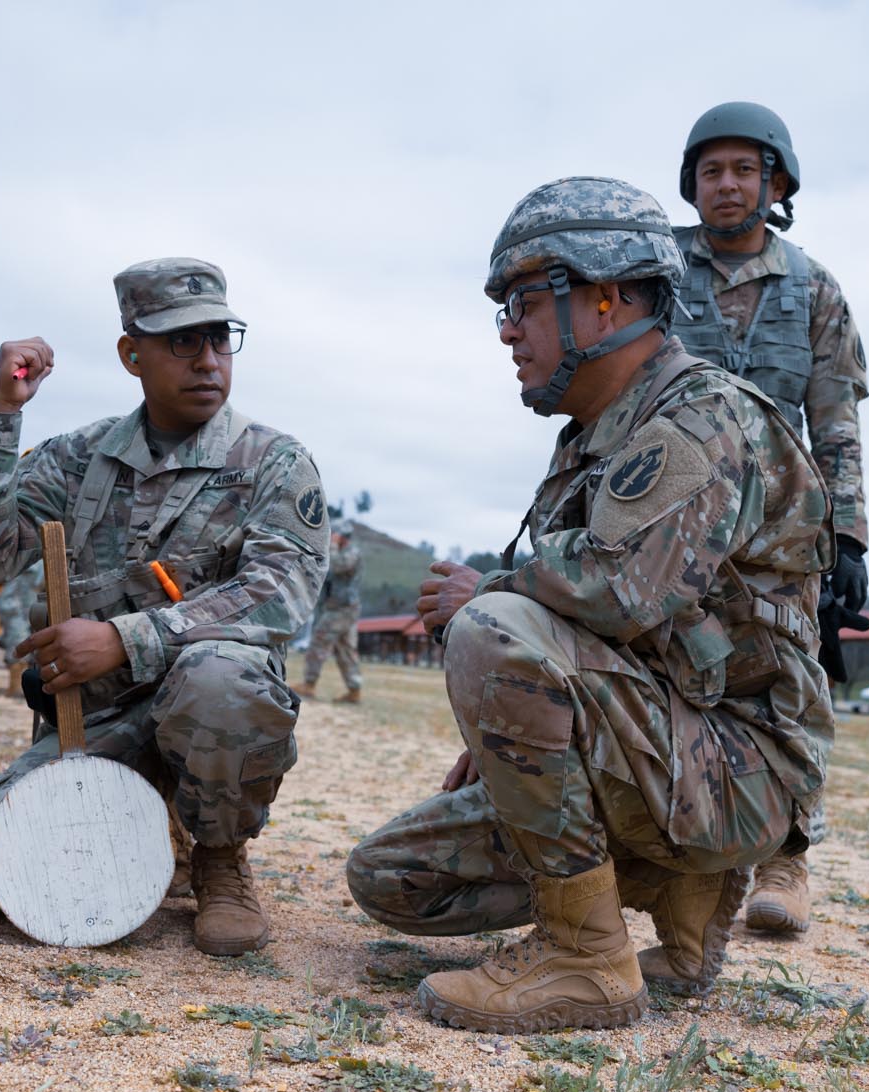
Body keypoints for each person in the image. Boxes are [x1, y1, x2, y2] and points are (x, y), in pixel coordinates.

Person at [345, 178, 834, 1030]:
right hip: (667, 747)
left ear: (606, 300)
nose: (506, 329)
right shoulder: (596, 436)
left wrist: (486, 609)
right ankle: (681, 899)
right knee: (394, 877)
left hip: (739, 771)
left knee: (490, 626)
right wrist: (514, 738)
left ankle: (587, 954)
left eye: (524, 301)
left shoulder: (699, 421)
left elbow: (618, 590)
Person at [0, 258, 329, 956]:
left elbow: (280, 593)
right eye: (183, 342)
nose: (208, 360)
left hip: (208, 715)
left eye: (220, 339)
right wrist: (2, 415)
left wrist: (124, 638)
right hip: (99, 721)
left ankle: (218, 854)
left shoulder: (273, 462)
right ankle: (152, 817)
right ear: (131, 354)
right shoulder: (79, 459)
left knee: (223, 678)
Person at [670, 100, 869, 935]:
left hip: (779, 525)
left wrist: (849, 534)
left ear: (775, 181)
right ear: (693, 185)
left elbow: (836, 417)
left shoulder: (814, 289)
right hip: (672, 512)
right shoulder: (653, 268)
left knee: (791, 682)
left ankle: (786, 857)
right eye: (712, 170)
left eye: (744, 169)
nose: (727, 184)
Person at [300, 518, 364, 703]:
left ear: (342, 536)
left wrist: (333, 546)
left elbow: (336, 566)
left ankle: (309, 684)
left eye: (334, 535)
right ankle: (354, 690)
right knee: (346, 651)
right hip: (340, 608)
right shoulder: (343, 551)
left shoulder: (352, 552)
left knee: (318, 643)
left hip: (342, 609)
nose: (331, 538)